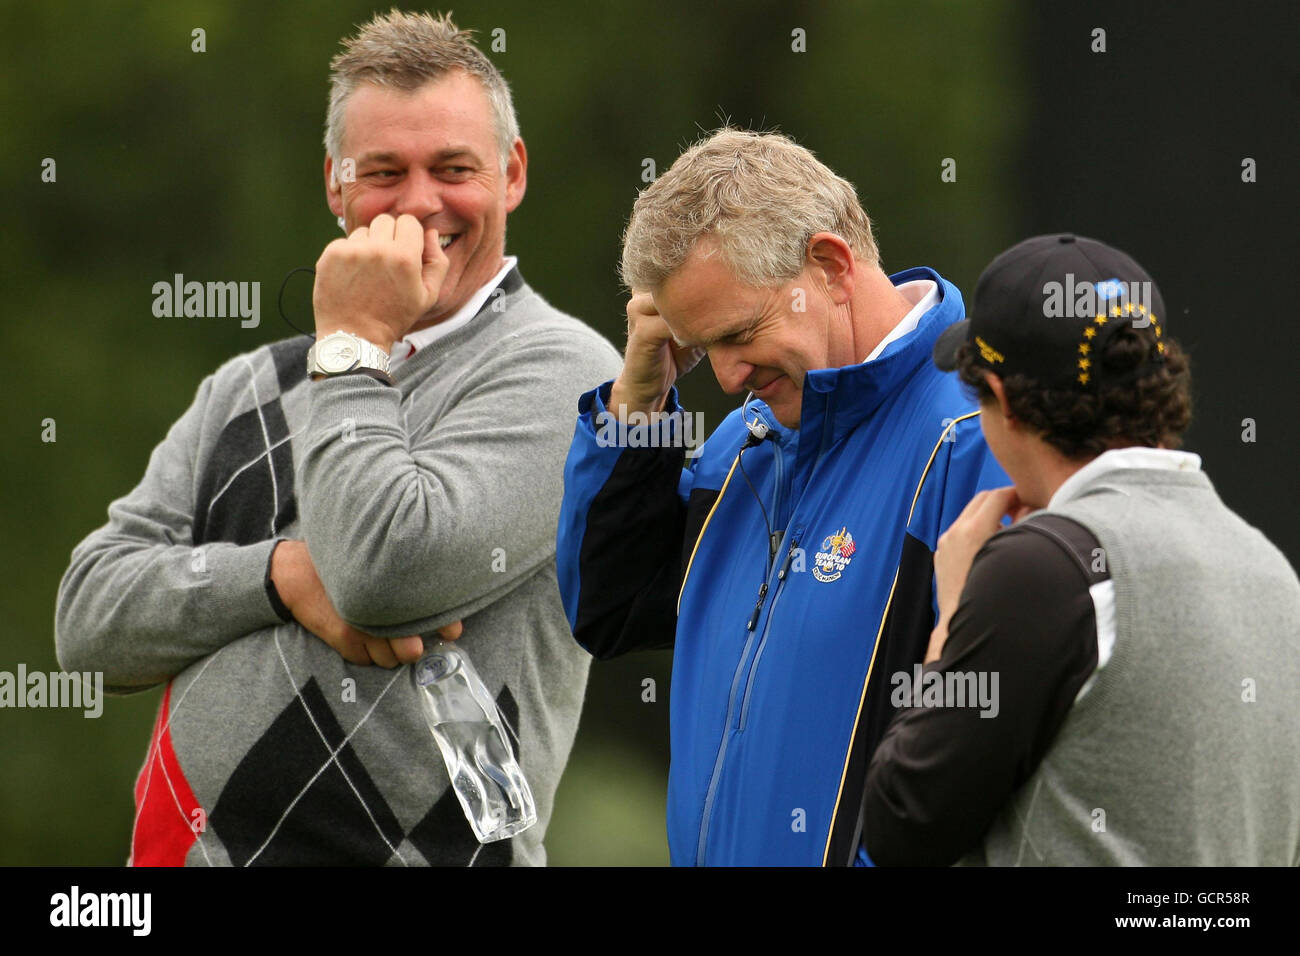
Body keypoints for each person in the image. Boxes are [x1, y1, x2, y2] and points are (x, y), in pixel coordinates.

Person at [55, 10, 620, 866]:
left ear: (511, 175)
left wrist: (353, 342)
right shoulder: (247, 383)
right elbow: (88, 621)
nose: (421, 201)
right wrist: (279, 577)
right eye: (385, 171)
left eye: (454, 168)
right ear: (336, 184)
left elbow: (383, 573)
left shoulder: (570, 372)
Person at [555, 128, 1010, 866]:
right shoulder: (745, 442)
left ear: (830, 266)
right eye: (705, 345)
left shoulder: (977, 438)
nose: (728, 376)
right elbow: (610, 607)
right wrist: (638, 405)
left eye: (740, 333)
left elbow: (993, 741)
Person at [863, 233, 1300, 866]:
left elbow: (901, 825)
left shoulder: (1042, 566)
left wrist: (951, 619)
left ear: (1002, 398)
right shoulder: (1271, 569)